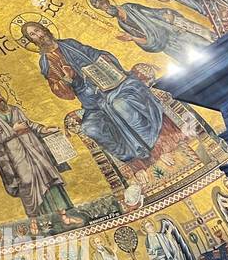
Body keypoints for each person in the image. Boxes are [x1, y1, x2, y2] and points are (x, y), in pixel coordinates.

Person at [20, 20, 166, 165]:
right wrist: (67, 79)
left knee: (120, 105)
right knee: (90, 128)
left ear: (44, 29)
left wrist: (102, 59)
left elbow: (94, 53)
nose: (38, 35)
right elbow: (58, 90)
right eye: (32, 34)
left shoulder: (70, 44)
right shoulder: (46, 63)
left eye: (37, 30)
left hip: (115, 87)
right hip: (93, 103)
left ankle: (151, 143)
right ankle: (130, 157)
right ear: (31, 40)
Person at [0, 86, 78, 235]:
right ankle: (34, 222)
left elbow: (29, 124)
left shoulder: (14, 109)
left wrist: (44, 129)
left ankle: (64, 216)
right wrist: (14, 129)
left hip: (34, 149)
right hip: (15, 155)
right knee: (27, 184)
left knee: (50, 179)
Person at [87, 0, 211, 65]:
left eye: (103, 4)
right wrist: (131, 38)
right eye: (101, 8)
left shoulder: (129, 7)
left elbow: (150, 12)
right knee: (191, 64)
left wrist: (164, 15)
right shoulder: (121, 24)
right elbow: (145, 40)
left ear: (107, 1)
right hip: (165, 46)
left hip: (172, 33)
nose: (106, 9)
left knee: (207, 46)